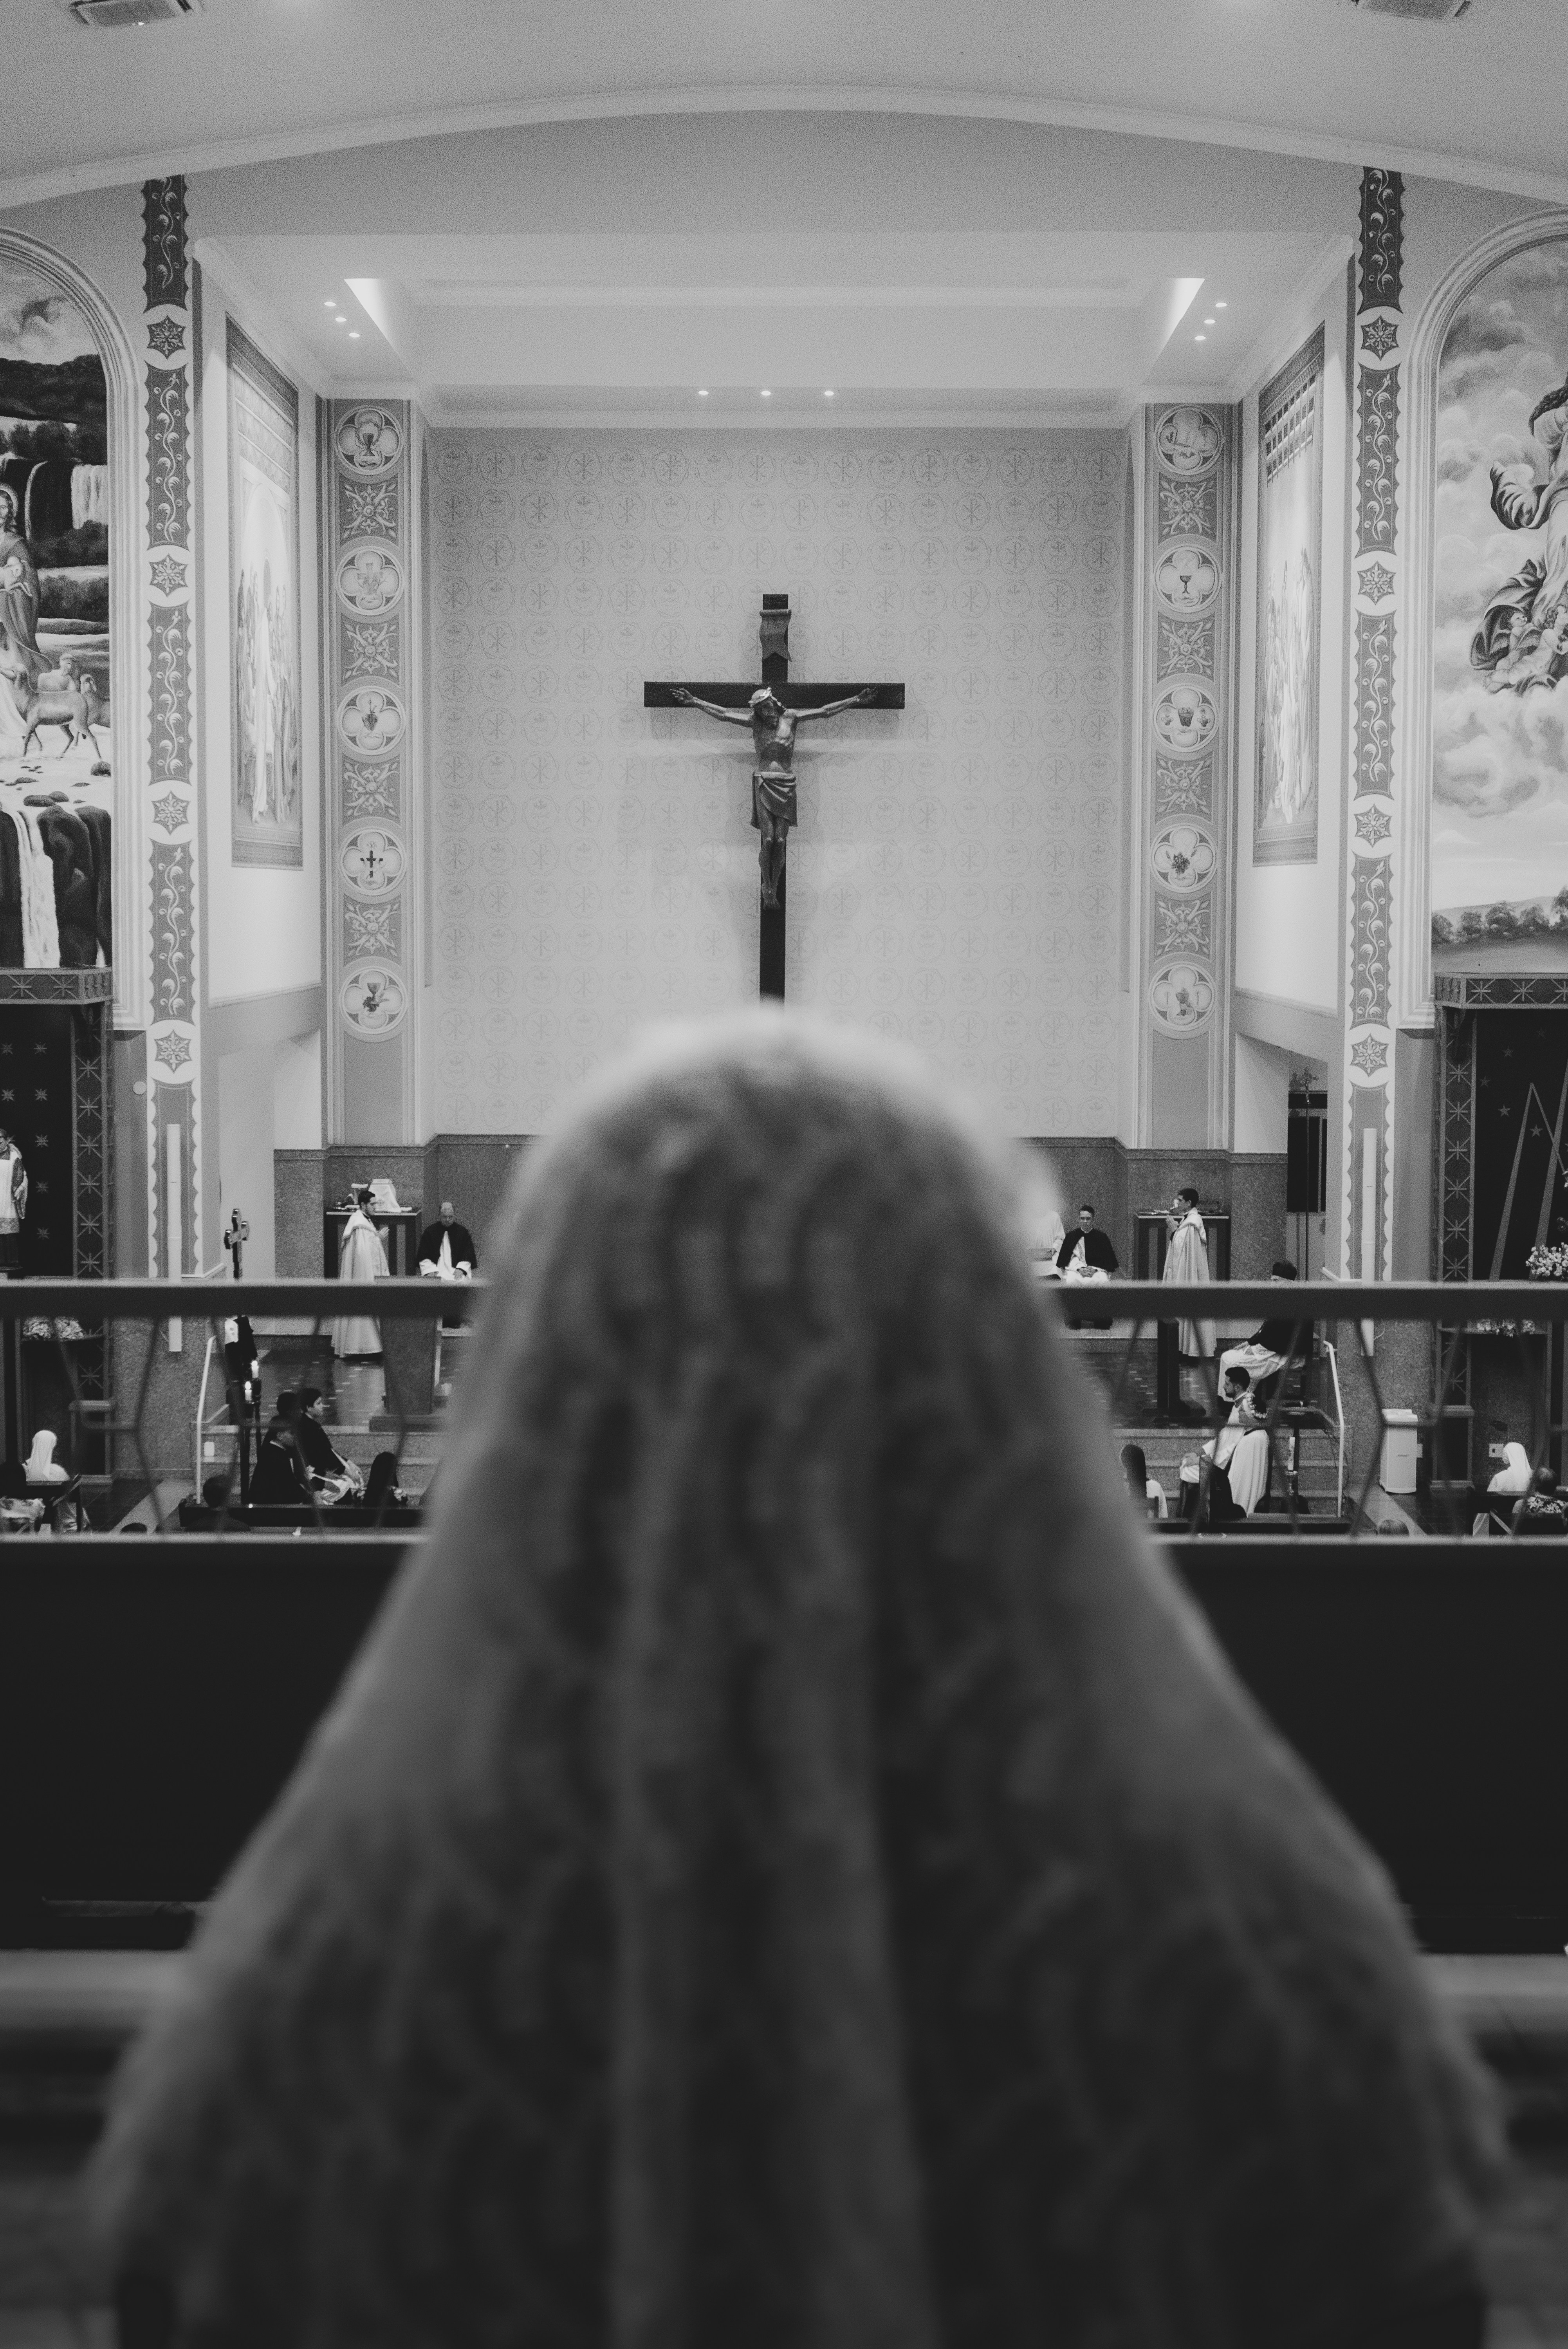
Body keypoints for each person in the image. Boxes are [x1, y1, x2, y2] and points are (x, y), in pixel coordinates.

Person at [90, 1013, 1500, 2349]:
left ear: (553, 1394)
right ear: (989, 1384)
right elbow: (1406, 2277)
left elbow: (186, 2268)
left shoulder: (347, 1950)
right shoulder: (1252, 1939)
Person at [671, 682, 878, 906]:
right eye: (759, 709)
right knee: (768, 839)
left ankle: (774, 885)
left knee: (781, 840)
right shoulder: (755, 723)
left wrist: (857, 699)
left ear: (774, 703)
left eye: (766, 706)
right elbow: (724, 714)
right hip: (764, 781)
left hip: (786, 782)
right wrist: (694, 701)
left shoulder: (791, 717)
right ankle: (767, 886)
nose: (764, 712)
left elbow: (824, 712)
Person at [1219, 1258, 1311, 1404]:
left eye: (1276, 1281)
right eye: (1272, 1280)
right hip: (1272, 1351)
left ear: (1289, 1283)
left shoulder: (1294, 1302)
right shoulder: (1282, 1298)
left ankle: (1233, 1403)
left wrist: (1257, 1349)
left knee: (1232, 1361)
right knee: (1228, 1356)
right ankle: (1238, 1400)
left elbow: (1284, 1339)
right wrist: (1250, 1343)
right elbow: (1267, 1329)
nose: (1272, 1284)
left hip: (1285, 1355)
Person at [1160, 1185, 1214, 1422]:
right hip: (1183, 1274)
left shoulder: (1192, 1224)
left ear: (1190, 1203)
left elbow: (1186, 1254)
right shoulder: (1188, 1221)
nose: (1178, 1202)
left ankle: (1192, 1351)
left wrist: (1173, 1230)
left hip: (1188, 1277)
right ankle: (1183, 1348)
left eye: (1181, 1200)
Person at [331, 1188, 386, 1360]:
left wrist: (377, 1237)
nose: (375, 1207)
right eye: (372, 1204)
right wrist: (378, 1238)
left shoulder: (363, 1221)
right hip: (363, 1275)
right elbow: (362, 1254)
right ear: (363, 1205)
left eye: (376, 1204)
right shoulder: (359, 1224)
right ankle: (362, 1347)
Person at [1057, 1201, 1118, 1330]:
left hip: (1097, 1271)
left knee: (1103, 1282)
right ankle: (1075, 1320)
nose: (1085, 1221)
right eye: (1082, 1218)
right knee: (1071, 1281)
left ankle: (1101, 1321)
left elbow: (1107, 1260)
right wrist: (1079, 1269)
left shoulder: (1102, 1237)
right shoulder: (1071, 1237)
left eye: (1088, 1219)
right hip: (1076, 1270)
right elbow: (1067, 1259)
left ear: (1093, 1220)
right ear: (1079, 1220)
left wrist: (1095, 1269)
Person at [294, 1387, 361, 1498]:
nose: (322, 1406)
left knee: (355, 1476)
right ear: (309, 1408)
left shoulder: (312, 1425)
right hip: (316, 1472)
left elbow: (329, 1449)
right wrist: (344, 1471)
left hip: (323, 1468)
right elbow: (322, 1455)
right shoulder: (307, 1428)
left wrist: (348, 1462)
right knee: (348, 1484)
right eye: (319, 1403)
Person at [248, 1392, 312, 1507]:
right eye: (298, 1408)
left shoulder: (279, 1447)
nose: (301, 1412)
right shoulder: (276, 1455)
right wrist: (308, 1496)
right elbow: (287, 1482)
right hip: (271, 1505)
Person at [417, 1200, 477, 1283]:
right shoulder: (430, 1232)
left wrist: (461, 1269)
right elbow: (424, 1254)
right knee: (432, 1282)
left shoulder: (462, 1232)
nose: (448, 1220)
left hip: (456, 1271)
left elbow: (468, 1254)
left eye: (450, 1217)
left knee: (461, 1281)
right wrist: (430, 1270)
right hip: (436, 1270)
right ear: (440, 1216)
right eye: (445, 1217)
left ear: (455, 1215)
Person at [1119, 1440, 1166, 1520]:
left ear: (1125, 1467)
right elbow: (1164, 1517)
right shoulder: (1156, 1486)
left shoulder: (1120, 1488)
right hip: (1152, 1528)